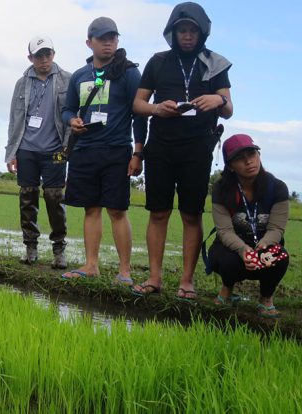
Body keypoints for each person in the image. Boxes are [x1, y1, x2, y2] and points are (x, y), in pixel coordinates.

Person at [132, 2, 233, 299]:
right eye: (181, 30)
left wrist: (217, 100)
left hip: (198, 148)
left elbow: (228, 109)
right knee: (158, 213)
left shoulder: (215, 63)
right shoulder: (158, 61)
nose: (187, 36)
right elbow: (138, 105)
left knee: (191, 214)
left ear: (201, 33)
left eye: (192, 31)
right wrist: (156, 109)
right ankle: (154, 277)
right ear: (172, 33)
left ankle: (187, 281)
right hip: (161, 146)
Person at [60, 17, 145, 283]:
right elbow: (67, 109)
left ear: (118, 40)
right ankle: (90, 265)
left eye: (113, 37)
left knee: (117, 210)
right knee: (91, 208)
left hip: (116, 149)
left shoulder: (129, 73)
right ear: (89, 43)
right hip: (84, 150)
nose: (108, 42)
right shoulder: (79, 76)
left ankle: (125, 271)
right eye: (102, 38)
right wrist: (71, 121)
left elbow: (140, 114)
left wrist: (137, 152)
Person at [5, 36, 71, 268]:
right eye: (39, 55)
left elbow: (72, 115)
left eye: (48, 54)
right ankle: (30, 247)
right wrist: (10, 152)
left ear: (54, 54)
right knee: (27, 198)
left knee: (55, 198)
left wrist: (69, 145)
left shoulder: (67, 80)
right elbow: (14, 119)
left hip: (56, 149)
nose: (44, 59)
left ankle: (59, 249)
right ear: (30, 58)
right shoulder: (21, 84)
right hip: (26, 150)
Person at [208, 134, 289, 318]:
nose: (248, 161)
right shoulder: (221, 189)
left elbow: (277, 228)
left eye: (252, 154)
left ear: (258, 155)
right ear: (230, 166)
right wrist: (243, 249)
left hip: (264, 246)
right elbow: (224, 230)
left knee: (280, 257)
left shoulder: (277, 187)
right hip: (233, 248)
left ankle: (266, 298)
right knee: (227, 261)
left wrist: (264, 245)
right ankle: (227, 289)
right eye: (239, 158)